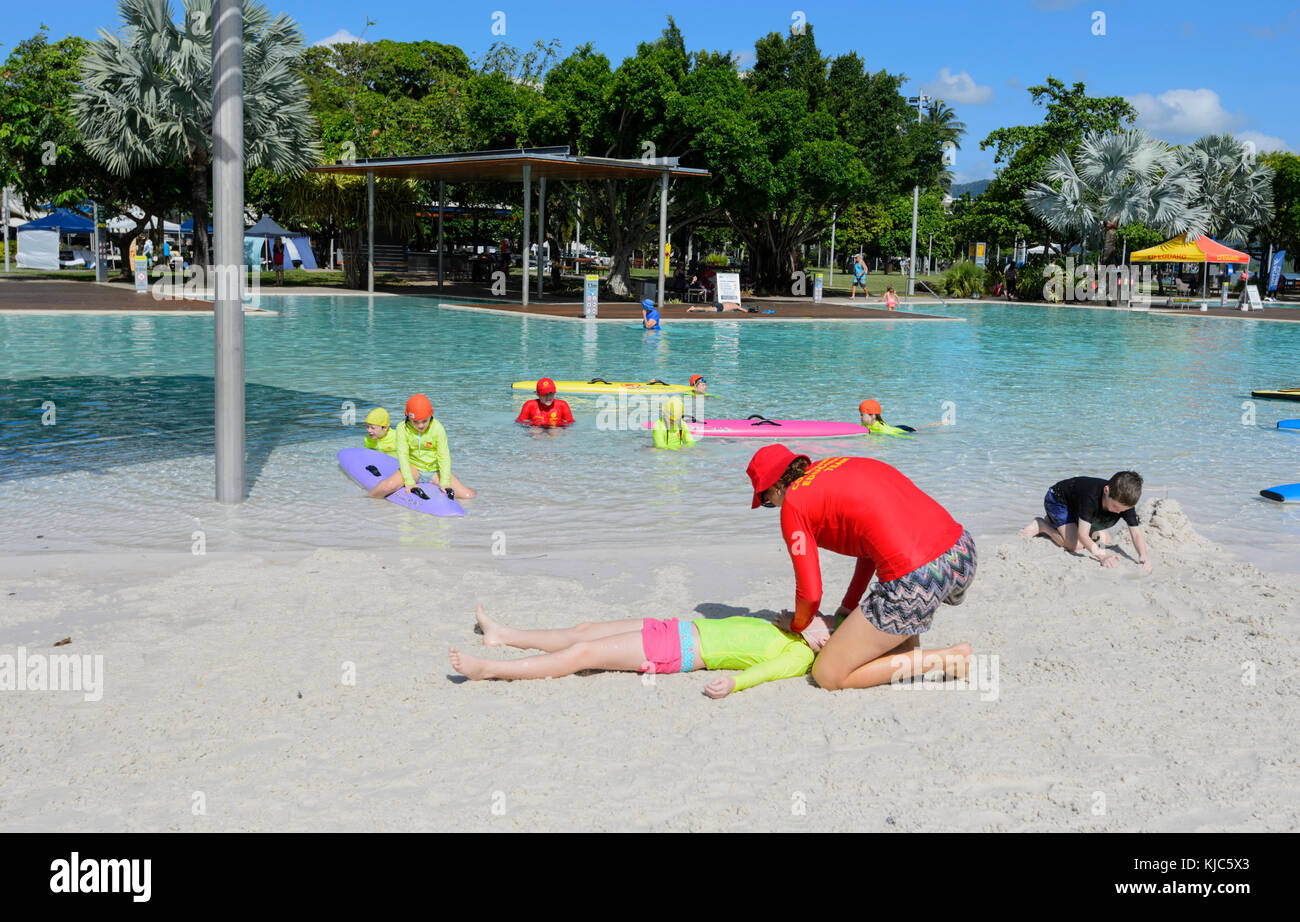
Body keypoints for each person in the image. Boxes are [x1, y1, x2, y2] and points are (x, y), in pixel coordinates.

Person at [747, 445, 976, 691]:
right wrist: (847, 609)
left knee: (827, 674)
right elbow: (870, 544)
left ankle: (951, 660)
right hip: (961, 553)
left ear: (775, 487)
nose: (773, 505)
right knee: (893, 650)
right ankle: (907, 648)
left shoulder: (794, 503)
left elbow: (810, 592)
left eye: (766, 501)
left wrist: (798, 625)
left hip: (917, 579)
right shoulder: (838, 466)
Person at [450, 605, 837, 699]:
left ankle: (491, 669)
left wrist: (735, 682)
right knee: (583, 631)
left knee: (584, 652)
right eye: (828, 621)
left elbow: (765, 673)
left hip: (675, 650)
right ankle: (504, 634)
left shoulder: (801, 657)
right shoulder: (793, 628)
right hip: (674, 628)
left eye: (830, 629)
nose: (825, 624)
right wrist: (794, 617)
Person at [1020, 472, 1151, 571]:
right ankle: (1042, 525)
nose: (1118, 512)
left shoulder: (1124, 502)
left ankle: (1065, 523)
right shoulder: (1091, 497)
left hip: (1078, 507)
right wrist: (1103, 557)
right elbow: (1083, 535)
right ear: (1107, 490)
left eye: (1123, 510)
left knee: (1105, 539)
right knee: (1075, 545)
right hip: (1058, 499)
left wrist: (1143, 556)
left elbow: (1136, 533)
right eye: (1116, 507)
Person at [369, 393, 476, 500]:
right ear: (408, 417)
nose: (420, 425)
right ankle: (367, 500)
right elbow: (403, 456)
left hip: (435, 471)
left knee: (468, 496)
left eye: (425, 421)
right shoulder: (402, 428)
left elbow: (444, 457)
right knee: (386, 487)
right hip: (414, 469)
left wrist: (445, 482)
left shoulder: (438, 428)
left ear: (430, 416)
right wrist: (409, 482)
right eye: (415, 422)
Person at [858, 398, 946, 435]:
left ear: (873, 416)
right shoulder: (866, 424)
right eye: (860, 415)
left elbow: (896, 436)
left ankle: (940, 425)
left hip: (903, 430)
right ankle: (940, 423)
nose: (860, 417)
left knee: (922, 432)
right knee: (920, 427)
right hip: (896, 427)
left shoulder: (881, 429)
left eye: (862, 415)